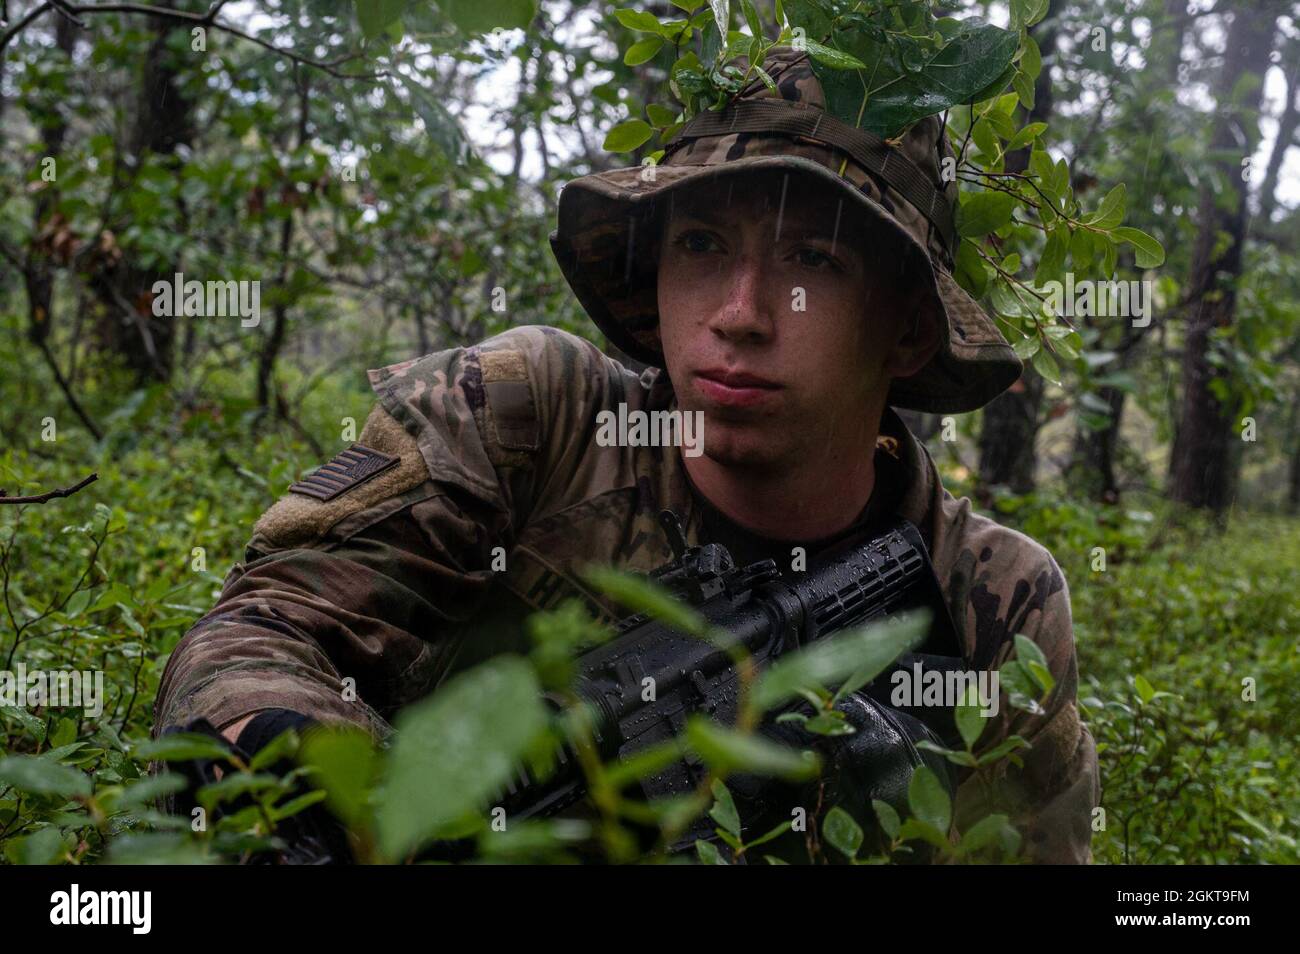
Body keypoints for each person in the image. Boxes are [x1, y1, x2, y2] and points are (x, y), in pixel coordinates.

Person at [153, 47, 1099, 863]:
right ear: (654, 278)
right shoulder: (532, 418)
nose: (740, 313)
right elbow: (261, 630)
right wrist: (311, 783)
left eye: (814, 261)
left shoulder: (992, 600)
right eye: (699, 243)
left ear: (904, 329)